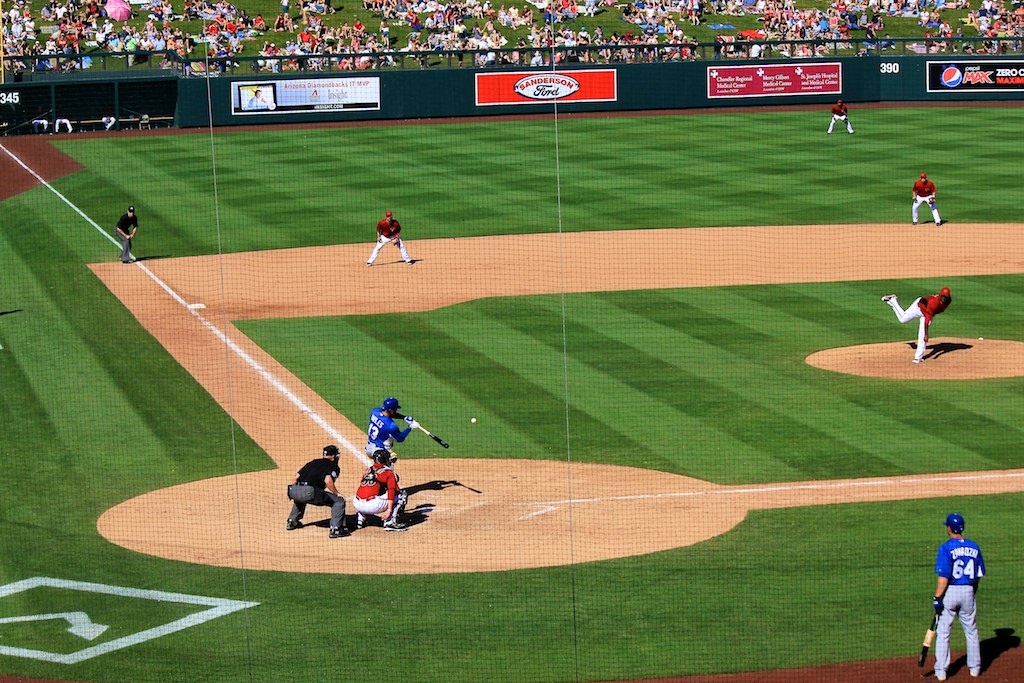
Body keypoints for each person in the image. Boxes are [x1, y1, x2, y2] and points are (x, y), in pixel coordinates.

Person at [931, 512, 984, 681]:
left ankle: (941, 671)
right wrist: (971, 591)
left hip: (951, 592)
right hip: (968, 590)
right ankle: (975, 668)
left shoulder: (946, 548)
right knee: (971, 630)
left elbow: (944, 578)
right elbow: (978, 575)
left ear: (949, 528)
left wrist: (937, 598)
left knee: (944, 631)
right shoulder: (974, 547)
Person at [286, 444, 350, 538]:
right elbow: (328, 480)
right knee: (339, 501)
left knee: (301, 497)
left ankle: (292, 522)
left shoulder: (313, 462)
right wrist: (337, 493)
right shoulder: (333, 466)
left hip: (293, 490)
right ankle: (336, 529)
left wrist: (299, 491)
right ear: (333, 456)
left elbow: (295, 477)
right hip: (309, 492)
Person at [880, 286, 952, 363]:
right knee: (903, 320)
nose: (944, 298)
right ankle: (893, 300)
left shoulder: (948, 301)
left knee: (922, 334)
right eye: (943, 296)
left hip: (927, 313)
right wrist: (926, 335)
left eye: (946, 297)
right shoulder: (934, 303)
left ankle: (918, 357)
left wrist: (924, 334)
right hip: (918, 308)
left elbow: (932, 314)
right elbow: (927, 321)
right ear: (940, 295)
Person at [353, 448, 410, 532]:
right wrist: (389, 510)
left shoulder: (368, 470)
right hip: (373, 506)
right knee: (401, 495)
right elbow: (392, 491)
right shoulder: (388, 472)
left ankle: (359, 520)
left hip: (357, 504)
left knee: (365, 492)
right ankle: (390, 523)